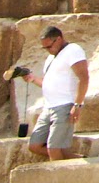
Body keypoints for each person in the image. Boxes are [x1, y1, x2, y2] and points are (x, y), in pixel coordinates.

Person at [25, 25, 88, 162]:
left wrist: (77, 105)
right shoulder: (51, 58)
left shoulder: (73, 50)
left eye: (49, 46)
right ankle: (78, 160)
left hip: (64, 106)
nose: (47, 50)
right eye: (44, 48)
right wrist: (32, 79)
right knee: (35, 146)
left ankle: (62, 181)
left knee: (53, 148)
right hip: (48, 107)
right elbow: (50, 83)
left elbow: (84, 78)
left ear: (58, 39)